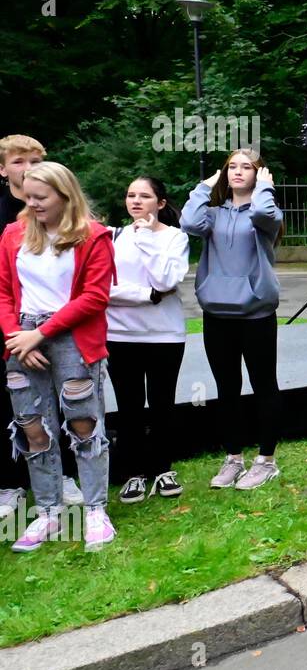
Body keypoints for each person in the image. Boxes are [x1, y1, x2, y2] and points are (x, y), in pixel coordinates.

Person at [0, 163, 117, 552]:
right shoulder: (13, 233)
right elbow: (3, 291)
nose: (31, 204)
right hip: (22, 337)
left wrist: (41, 334)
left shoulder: (94, 235)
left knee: (83, 424)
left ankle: (95, 509)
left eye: (40, 198)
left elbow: (95, 297)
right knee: (32, 428)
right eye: (27, 196)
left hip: (70, 339)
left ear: (64, 196)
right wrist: (17, 338)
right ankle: (49, 512)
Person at [180, 149, 284, 490]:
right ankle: (233, 458)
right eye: (232, 167)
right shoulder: (212, 213)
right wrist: (206, 184)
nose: (238, 172)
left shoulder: (265, 212)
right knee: (227, 388)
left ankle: (266, 460)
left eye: (247, 167)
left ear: (259, 174)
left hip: (256, 314)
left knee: (263, 384)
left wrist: (265, 189)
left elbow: (264, 214)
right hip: (217, 313)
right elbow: (189, 223)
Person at [108, 177, 189, 504]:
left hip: (164, 336)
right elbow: (104, 289)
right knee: (128, 408)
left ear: (160, 203)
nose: (136, 201)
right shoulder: (112, 237)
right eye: (130, 195)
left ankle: (162, 469)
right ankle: (133, 474)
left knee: (161, 405)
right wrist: (147, 296)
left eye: (145, 196)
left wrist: (145, 238)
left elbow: (166, 279)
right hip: (119, 335)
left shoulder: (175, 238)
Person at [0, 134, 46, 517]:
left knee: (56, 403)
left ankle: (58, 477)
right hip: (8, 329)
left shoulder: (57, 210)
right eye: (18, 161)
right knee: (10, 406)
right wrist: (15, 336)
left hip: (49, 328)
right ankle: (10, 484)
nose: (27, 167)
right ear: (3, 170)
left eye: (35, 159)